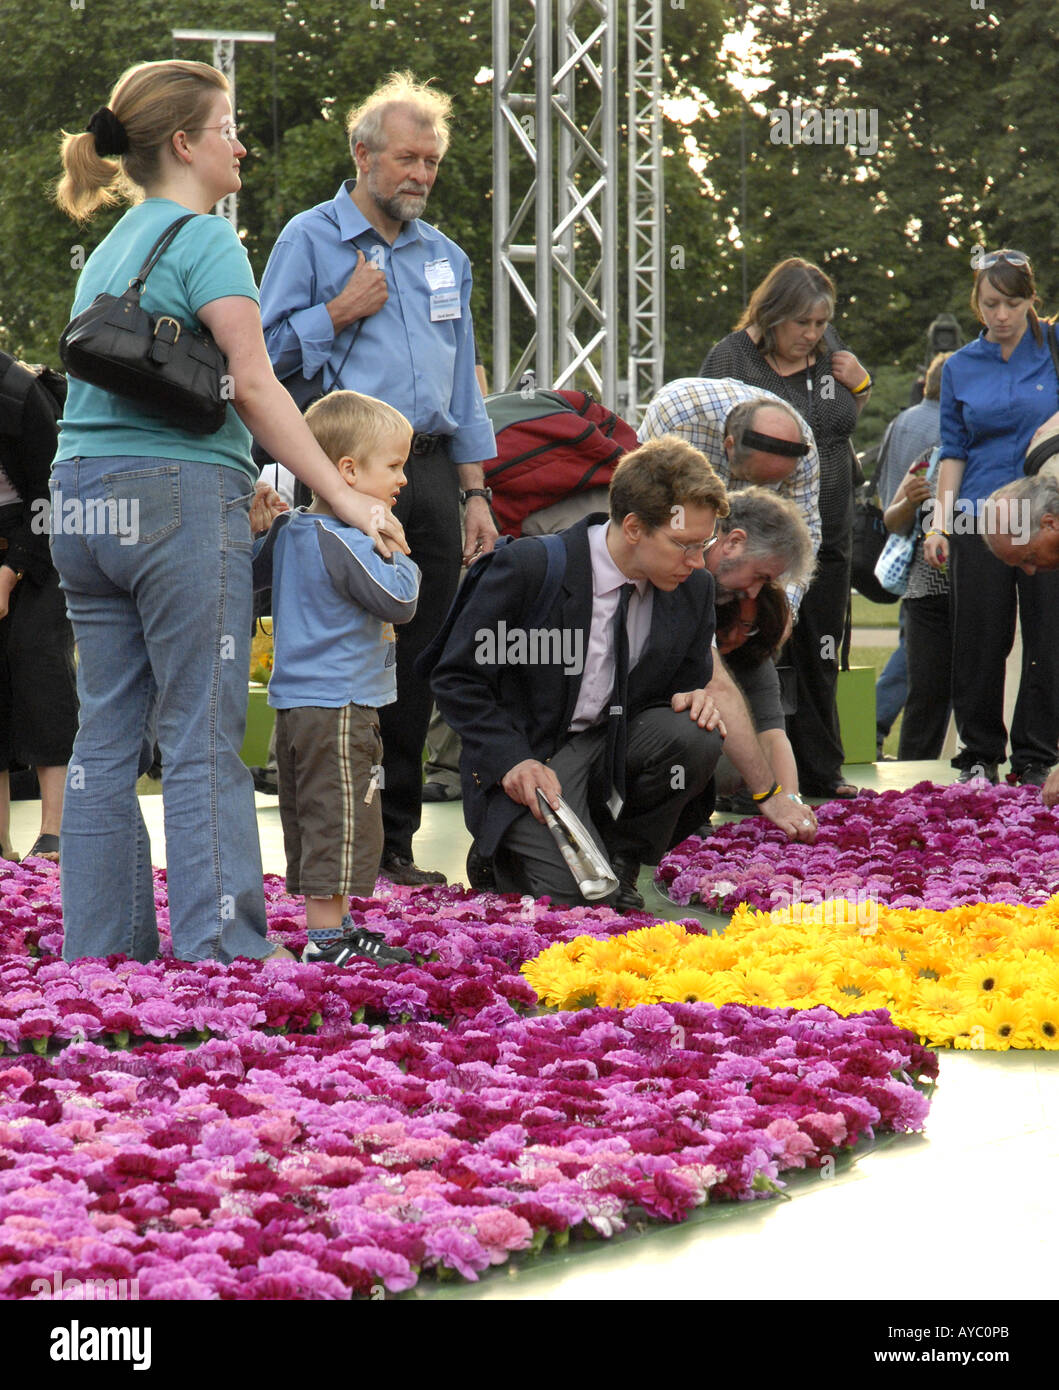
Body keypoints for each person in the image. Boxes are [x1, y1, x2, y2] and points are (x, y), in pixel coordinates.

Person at [53, 60, 406, 965]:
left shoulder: (112, 243)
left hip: (82, 498)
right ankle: (224, 957)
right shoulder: (207, 239)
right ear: (184, 144)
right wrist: (345, 498)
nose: (240, 143)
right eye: (228, 128)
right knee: (202, 734)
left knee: (103, 735)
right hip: (174, 497)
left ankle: (101, 957)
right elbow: (254, 385)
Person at [259, 72, 496, 888]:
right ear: (361, 155)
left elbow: (462, 384)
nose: (421, 175)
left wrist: (474, 491)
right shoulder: (308, 238)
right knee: (347, 653)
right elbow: (256, 361)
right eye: (406, 158)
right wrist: (337, 312)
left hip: (426, 474)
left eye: (431, 161)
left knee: (418, 656)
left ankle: (393, 842)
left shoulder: (446, 258)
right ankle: (339, 845)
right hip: (340, 474)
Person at [431, 438, 817, 911]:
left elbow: (687, 684)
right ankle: (502, 853)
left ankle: (622, 857)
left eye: (705, 545)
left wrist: (692, 699)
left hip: (613, 749)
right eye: (684, 545)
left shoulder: (691, 589)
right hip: (535, 755)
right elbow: (455, 677)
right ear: (633, 527)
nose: (698, 562)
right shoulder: (530, 568)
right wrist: (511, 760)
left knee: (693, 735)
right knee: (581, 903)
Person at [252, 391, 419, 966]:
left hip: (300, 705)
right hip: (340, 705)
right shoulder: (347, 540)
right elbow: (401, 601)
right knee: (343, 817)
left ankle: (338, 925)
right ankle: (327, 940)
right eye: (393, 465)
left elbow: (254, 585)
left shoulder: (293, 530)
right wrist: (398, 549)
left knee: (317, 813)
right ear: (347, 470)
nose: (402, 479)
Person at [699, 257, 872, 799]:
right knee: (750, 645)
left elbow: (840, 425)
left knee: (821, 644)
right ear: (773, 314)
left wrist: (860, 387)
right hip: (749, 536)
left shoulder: (830, 352)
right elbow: (710, 444)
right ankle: (741, 778)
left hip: (825, 523)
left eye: (821, 323)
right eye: (803, 323)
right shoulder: (731, 357)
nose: (813, 335)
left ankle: (822, 769)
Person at [925, 249, 1059, 786]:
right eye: (990, 304)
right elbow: (952, 450)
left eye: (1013, 302)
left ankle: (1036, 755)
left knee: (1048, 637)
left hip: (1047, 511)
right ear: (977, 304)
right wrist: (938, 521)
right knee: (979, 638)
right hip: (977, 516)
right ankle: (978, 752)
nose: (1001, 315)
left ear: (1032, 300)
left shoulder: (1053, 349)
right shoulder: (958, 366)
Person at [637, 379, 820, 613]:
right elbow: (651, 509)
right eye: (751, 477)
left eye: (769, 484)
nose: (754, 490)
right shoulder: (678, 414)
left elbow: (806, 531)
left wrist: (785, 608)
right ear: (729, 445)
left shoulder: (803, 446)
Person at [0, 353, 77, 863]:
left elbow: (53, 497)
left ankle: (57, 833)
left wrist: (10, 574)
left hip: (46, 536)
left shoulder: (16, 393)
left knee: (36, 658)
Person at [872, 352, 952, 754]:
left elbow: (886, 497)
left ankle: (877, 726)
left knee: (920, 664)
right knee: (927, 670)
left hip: (915, 558)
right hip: (934, 568)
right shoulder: (943, 432)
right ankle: (875, 722)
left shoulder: (900, 422)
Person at [883, 448, 952, 760]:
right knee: (925, 694)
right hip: (926, 592)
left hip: (982, 590)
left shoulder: (999, 455)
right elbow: (892, 522)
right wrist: (909, 503)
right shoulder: (930, 457)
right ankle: (915, 782)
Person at [712, 584, 800, 814]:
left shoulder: (755, 659)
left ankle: (745, 794)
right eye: (727, 620)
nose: (732, 635)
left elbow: (772, 737)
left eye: (746, 626)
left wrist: (790, 801)